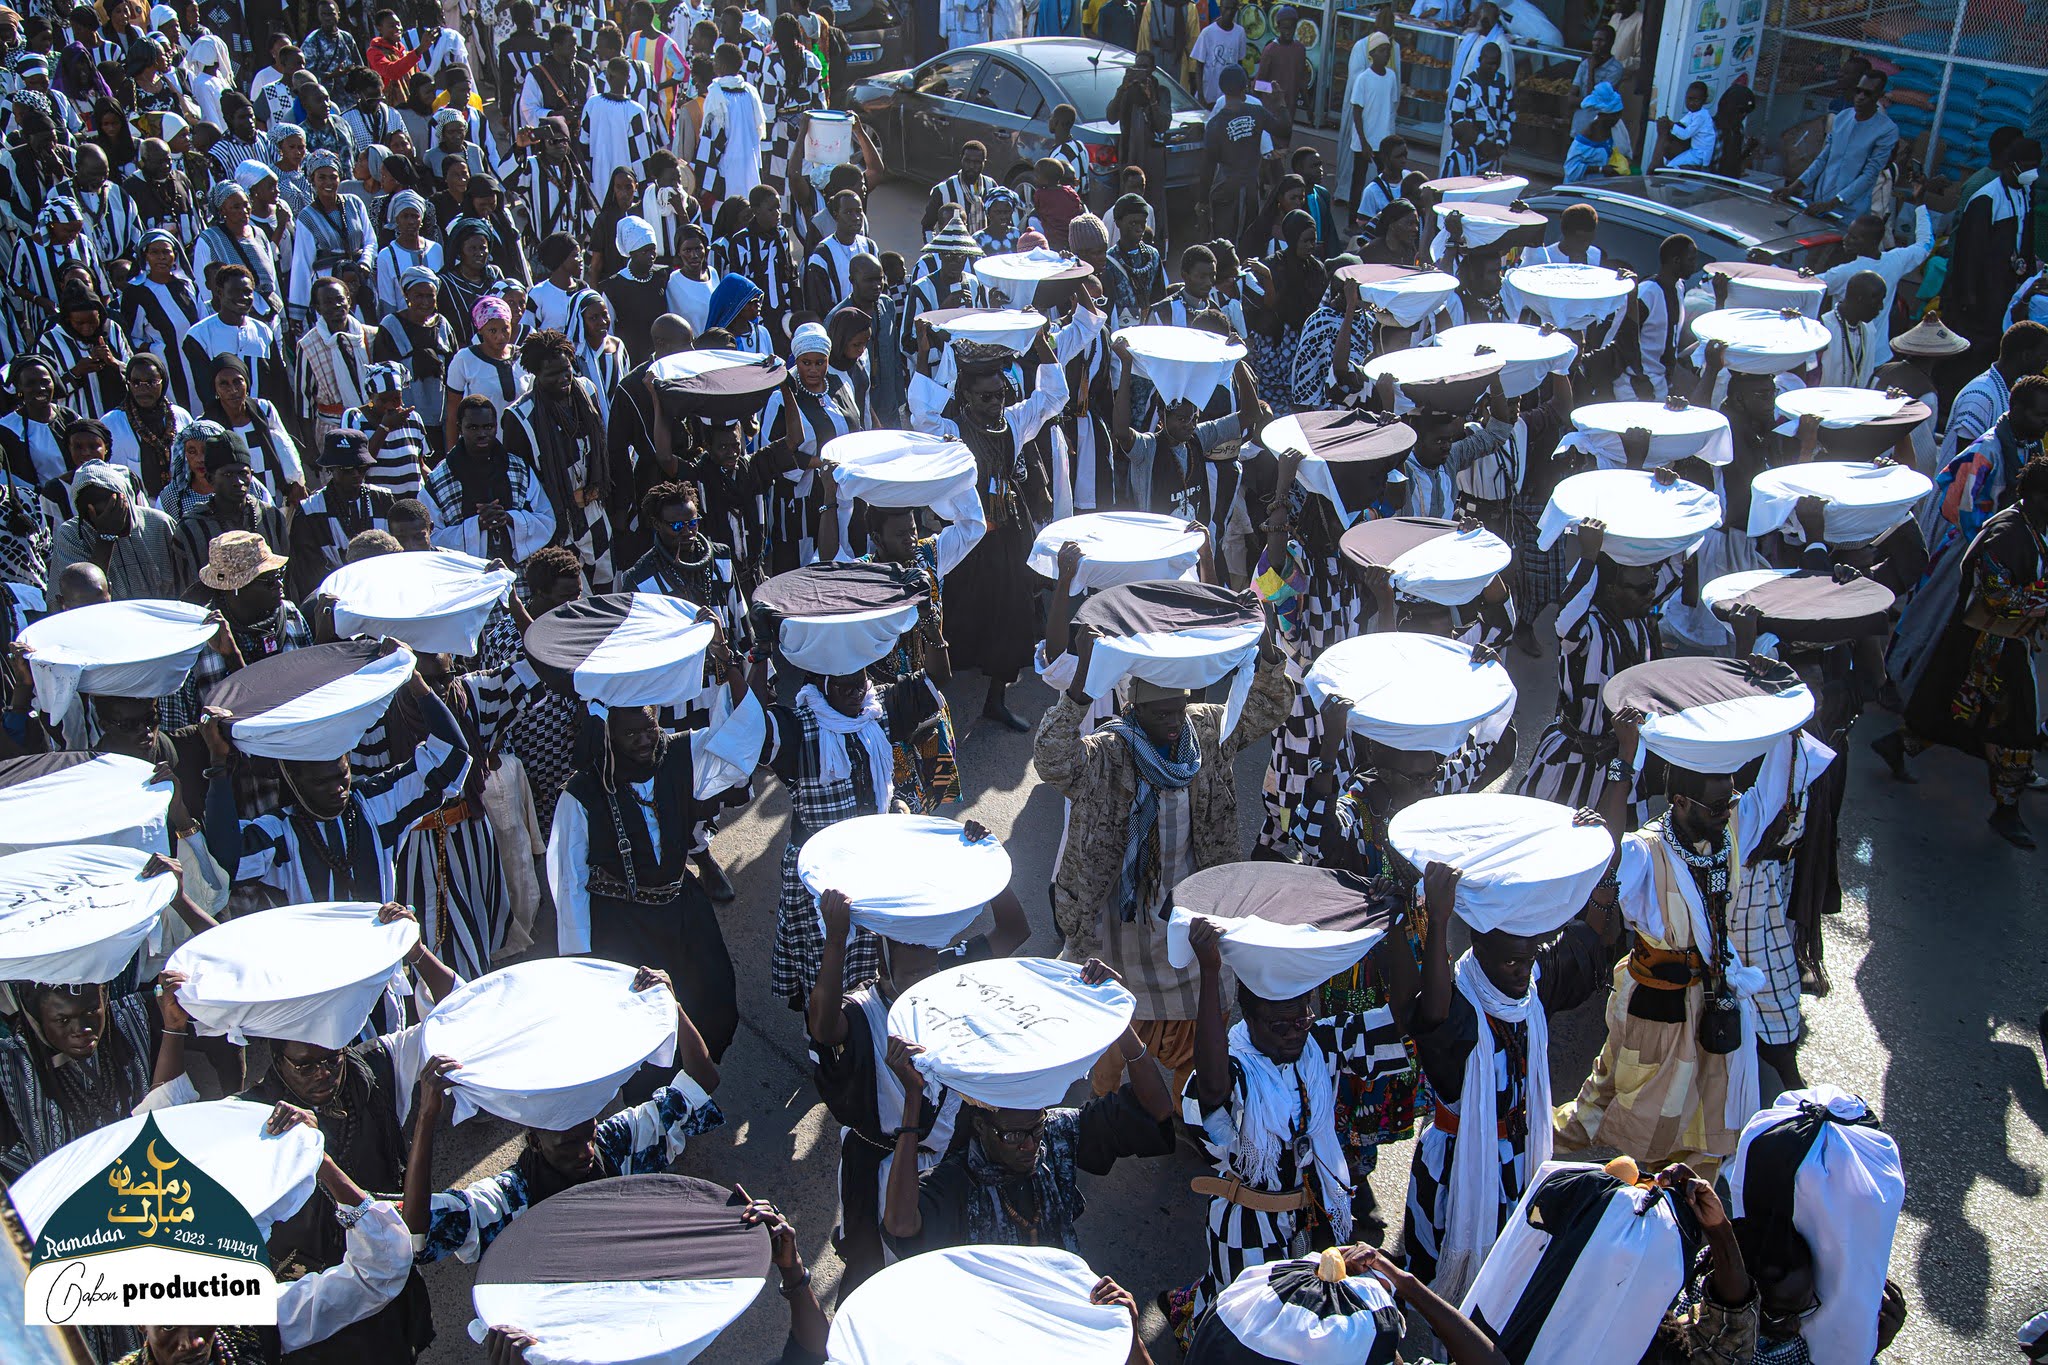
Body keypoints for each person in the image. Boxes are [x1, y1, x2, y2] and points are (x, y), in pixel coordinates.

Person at [1035, 613, 1291, 1100]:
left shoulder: (1209, 732)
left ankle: (1187, 1109)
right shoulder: (1109, 751)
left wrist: (1269, 650)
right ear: (1134, 711)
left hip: (1188, 908)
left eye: (1179, 710)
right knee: (1112, 1009)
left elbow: (1271, 705)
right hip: (1120, 918)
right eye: (1161, 715)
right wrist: (1081, 690)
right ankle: (1104, 1105)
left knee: (1201, 1007)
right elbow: (1050, 759)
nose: (1175, 724)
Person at [1401, 853, 1626, 1296]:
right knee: (1453, 1296)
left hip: (1520, 1159)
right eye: (1511, 964)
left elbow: (1588, 939)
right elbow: (1433, 1010)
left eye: (1529, 960)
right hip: (1458, 1168)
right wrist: (1439, 917)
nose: (1523, 973)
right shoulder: (1461, 1008)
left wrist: (1604, 864)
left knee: (1514, 1279)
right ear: (1479, 950)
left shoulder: (1529, 983)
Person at [804, 862, 1030, 1288]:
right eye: (911, 974)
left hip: (947, 1168)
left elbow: (1015, 929)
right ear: (883, 965)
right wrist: (835, 941)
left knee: (939, 1280)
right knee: (873, 1281)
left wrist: (989, 866)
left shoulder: (951, 976)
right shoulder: (861, 1012)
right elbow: (822, 1024)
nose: (922, 985)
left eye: (928, 969)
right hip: (877, 1173)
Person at [405, 966, 724, 1263]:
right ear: (534, 1141)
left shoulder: (616, 1143)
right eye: (568, 1144)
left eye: (590, 1135)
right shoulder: (510, 1199)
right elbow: (417, 1236)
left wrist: (672, 1007)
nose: (586, 1152)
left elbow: (703, 1082)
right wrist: (426, 1115)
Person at [879, 960, 1179, 1257]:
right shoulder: (960, 1179)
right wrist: (913, 1098)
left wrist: (1116, 1020)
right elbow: (901, 1225)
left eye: (1036, 1128)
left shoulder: (1057, 1136)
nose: (1030, 1145)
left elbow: (1157, 1109)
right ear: (981, 1127)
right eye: (1013, 1136)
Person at [1883, 455, 2048, 846]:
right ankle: (2006, 810)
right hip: (1989, 646)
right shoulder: (2008, 533)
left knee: (1953, 709)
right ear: (2040, 495)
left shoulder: (2032, 526)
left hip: (2001, 643)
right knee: (2016, 725)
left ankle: (1898, 744)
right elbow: (1997, 595)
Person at [500, 328, 622, 591]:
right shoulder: (520, 417)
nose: (563, 378)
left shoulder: (586, 392)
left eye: (566, 369)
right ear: (536, 374)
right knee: (572, 596)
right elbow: (521, 482)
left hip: (594, 514)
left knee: (607, 589)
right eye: (552, 374)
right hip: (556, 523)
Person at [1942, 137, 2042, 372]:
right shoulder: (1986, 198)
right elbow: (1969, 253)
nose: (2033, 172)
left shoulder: (2025, 192)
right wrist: (1970, 295)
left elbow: (2024, 237)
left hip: (2008, 283)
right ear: (2011, 166)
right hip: (1985, 288)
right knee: (1976, 345)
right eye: (2027, 166)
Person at [49, 458, 185, 598]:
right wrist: (106, 537)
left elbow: (186, 582)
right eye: (97, 514)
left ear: (126, 499)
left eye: (115, 508)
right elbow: (84, 596)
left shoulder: (159, 524)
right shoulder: (72, 535)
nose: (108, 517)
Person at [1774, 67, 1899, 219]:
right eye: (1858, 91)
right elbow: (1823, 159)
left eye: (1868, 93)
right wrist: (1793, 187)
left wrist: (1834, 203)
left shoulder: (1886, 130)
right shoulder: (1842, 117)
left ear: (1879, 96)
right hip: (1819, 201)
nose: (1860, 97)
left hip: (1850, 210)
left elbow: (1869, 175)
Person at [1199, 65, 1274, 247]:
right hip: (1246, 186)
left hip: (1225, 185)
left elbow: (1208, 163)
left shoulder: (1218, 115)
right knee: (1245, 239)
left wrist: (1202, 200)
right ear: (1245, 86)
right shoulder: (1256, 109)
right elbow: (1268, 150)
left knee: (1224, 240)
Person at [1336, 31, 1398, 213]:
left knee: (1384, 181)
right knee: (1359, 180)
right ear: (1371, 54)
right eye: (1381, 50)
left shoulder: (1391, 77)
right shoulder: (1363, 78)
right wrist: (1363, 142)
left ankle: (1382, 217)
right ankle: (1353, 219)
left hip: (1383, 140)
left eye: (1388, 50)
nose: (1385, 54)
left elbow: (1391, 106)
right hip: (1364, 141)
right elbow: (1357, 111)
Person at [1446, 43, 1513, 174]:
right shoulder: (1464, 86)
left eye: (1496, 64)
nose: (1493, 68)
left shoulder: (1504, 84)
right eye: (1489, 63)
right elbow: (1456, 120)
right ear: (1480, 60)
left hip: (1493, 156)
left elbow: (1508, 117)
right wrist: (1481, 142)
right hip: (1468, 154)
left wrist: (1500, 143)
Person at [1818, 270, 1887, 389]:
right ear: (1860, 299)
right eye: (1877, 301)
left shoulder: (1869, 329)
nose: (1881, 307)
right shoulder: (1823, 329)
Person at [1189, 0, 1245, 106]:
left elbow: (1239, 64)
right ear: (1220, 9)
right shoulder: (1207, 33)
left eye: (1232, 9)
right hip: (1208, 95)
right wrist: (1201, 96)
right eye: (1226, 8)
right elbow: (1199, 66)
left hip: (1228, 95)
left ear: (1236, 10)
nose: (1229, 12)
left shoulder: (1240, 33)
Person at [1655, 80, 1717, 171]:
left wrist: (1671, 124)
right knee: (1669, 162)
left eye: (1696, 100)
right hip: (1694, 151)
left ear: (1704, 100)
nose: (1691, 103)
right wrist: (1665, 122)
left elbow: (1685, 135)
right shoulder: (1693, 112)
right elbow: (1681, 124)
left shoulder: (1701, 116)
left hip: (1699, 155)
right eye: (1689, 99)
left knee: (1669, 167)